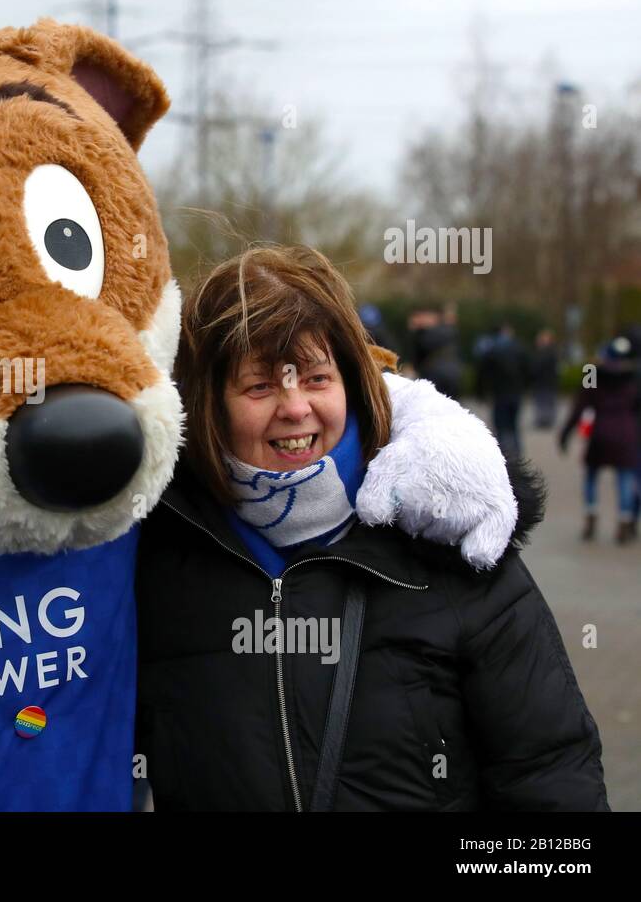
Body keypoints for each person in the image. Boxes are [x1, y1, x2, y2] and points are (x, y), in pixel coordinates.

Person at [136, 245, 607, 811]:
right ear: (209, 405)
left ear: (352, 385)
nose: (295, 407)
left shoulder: (449, 538)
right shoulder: (159, 551)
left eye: (315, 377)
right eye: (259, 387)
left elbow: (550, 774)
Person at [559, 335, 639, 544]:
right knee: (625, 478)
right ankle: (624, 520)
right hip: (626, 434)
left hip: (600, 433)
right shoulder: (635, 375)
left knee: (591, 476)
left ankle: (591, 515)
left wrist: (566, 432)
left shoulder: (592, 371)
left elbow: (581, 404)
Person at [477, 322, 528, 460]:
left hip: (499, 393)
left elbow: (483, 373)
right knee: (514, 425)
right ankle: (517, 454)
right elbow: (528, 369)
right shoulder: (519, 349)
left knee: (500, 426)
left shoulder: (492, 350)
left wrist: (481, 392)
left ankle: (502, 455)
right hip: (516, 393)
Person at [529, 328, 560, 430]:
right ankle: (543, 419)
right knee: (542, 400)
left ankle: (546, 420)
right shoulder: (543, 352)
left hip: (547, 381)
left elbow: (539, 365)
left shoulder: (548, 352)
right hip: (543, 381)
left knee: (546, 400)